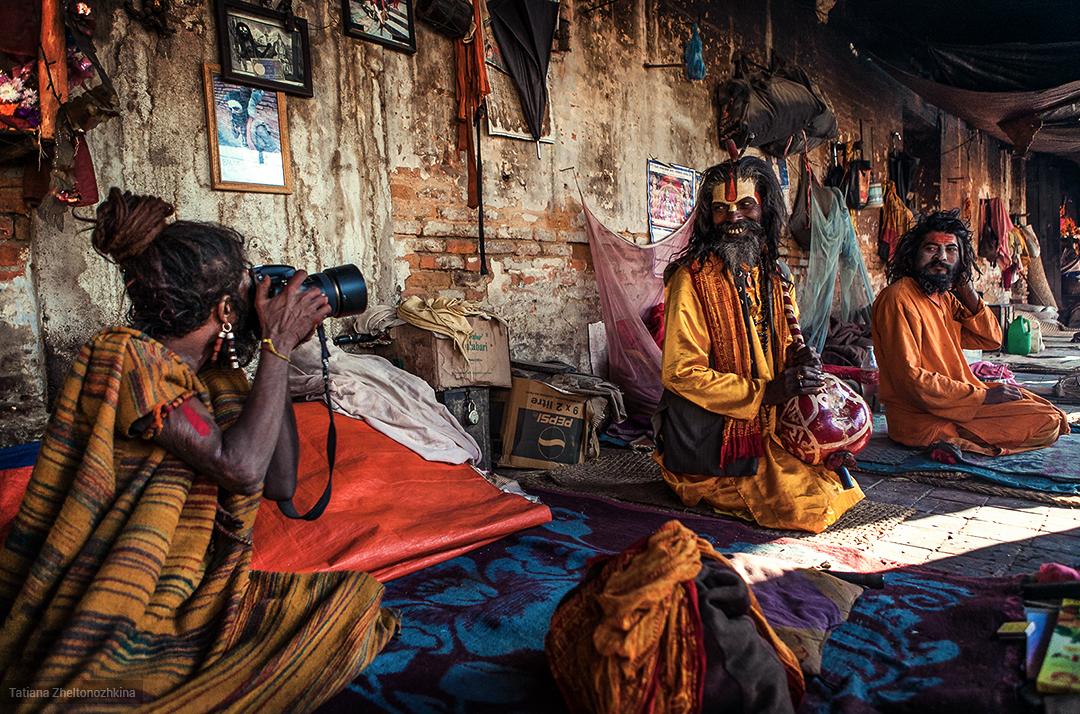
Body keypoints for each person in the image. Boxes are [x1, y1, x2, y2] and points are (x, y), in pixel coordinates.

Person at [0, 189, 398, 710]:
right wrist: (276, 345)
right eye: (247, 286)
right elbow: (239, 468)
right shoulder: (127, 356)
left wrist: (271, 353)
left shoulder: (216, 376)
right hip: (119, 587)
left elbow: (278, 483)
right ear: (224, 310)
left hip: (198, 585)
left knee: (352, 601)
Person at [655, 156, 864, 533]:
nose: (733, 217)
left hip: (768, 426)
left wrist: (797, 359)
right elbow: (680, 374)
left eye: (745, 205)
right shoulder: (690, 280)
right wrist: (766, 393)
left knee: (837, 485)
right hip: (716, 436)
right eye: (721, 209)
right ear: (708, 217)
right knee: (809, 507)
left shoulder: (775, 274)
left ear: (764, 209)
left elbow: (779, 346)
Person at [872, 210, 1069, 460]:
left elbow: (991, 339)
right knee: (1048, 421)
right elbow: (910, 380)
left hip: (957, 401)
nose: (941, 258)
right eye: (931, 249)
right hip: (920, 416)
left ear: (961, 258)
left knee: (1045, 408)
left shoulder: (943, 298)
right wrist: (983, 396)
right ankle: (956, 440)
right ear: (913, 255)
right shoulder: (898, 298)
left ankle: (958, 437)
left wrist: (966, 290)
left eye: (951, 251)